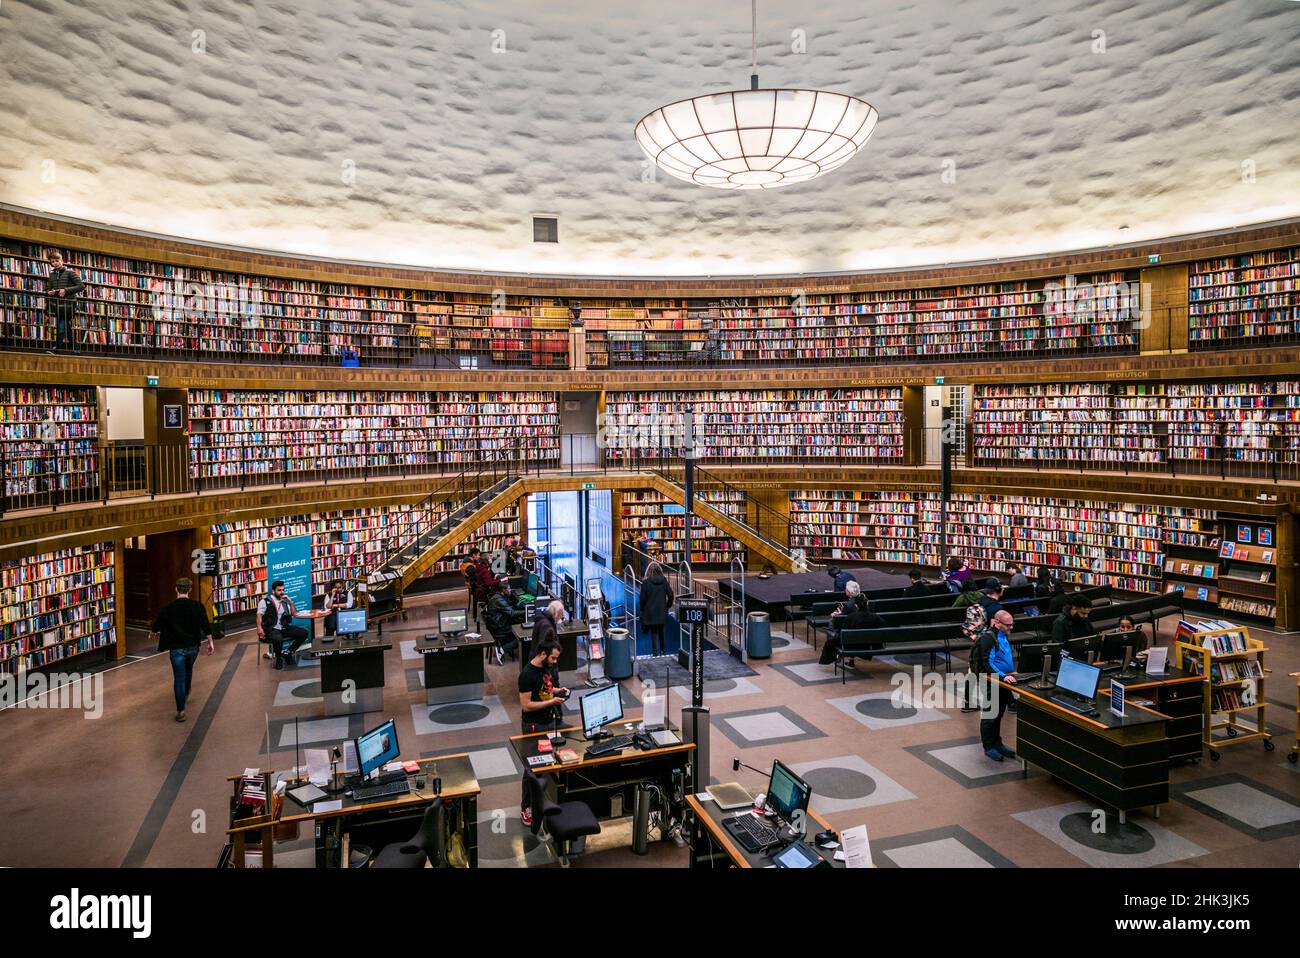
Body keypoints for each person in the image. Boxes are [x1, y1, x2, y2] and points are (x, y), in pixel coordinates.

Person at [518, 635, 569, 826]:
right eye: (553, 658)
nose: (555, 662)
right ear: (542, 654)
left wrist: (556, 690)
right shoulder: (526, 675)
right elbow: (526, 705)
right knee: (531, 768)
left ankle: (545, 799)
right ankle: (526, 806)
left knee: (550, 761)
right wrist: (551, 702)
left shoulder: (545, 669)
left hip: (549, 722)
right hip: (534, 726)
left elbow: (545, 688)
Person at [150, 578, 215, 722]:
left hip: (176, 648)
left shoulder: (167, 608)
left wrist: (153, 632)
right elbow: (205, 625)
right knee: (189, 670)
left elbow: (158, 624)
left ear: (176, 589)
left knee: (178, 677)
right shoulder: (197, 606)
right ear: (190, 589)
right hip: (193, 646)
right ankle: (186, 693)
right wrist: (210, 642)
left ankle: (181, 710)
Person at [973, 609, 1017, 761]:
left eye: (1012, 625)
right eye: (1007, 625)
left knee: (999, 714)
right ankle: (988, 746)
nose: (1010, 628)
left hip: (1003, 681)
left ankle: (998, 743)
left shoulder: (1003, 635)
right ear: (997, 623)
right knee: (990, 715)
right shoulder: (989, 638)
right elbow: (987, 664)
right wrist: (1003, 676)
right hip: (992, 681)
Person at [819, 591, 886, 667]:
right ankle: (848, 660)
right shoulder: (875, 617)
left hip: (851, 645)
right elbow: (882, 626)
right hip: (869, 645)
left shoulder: (851, 617)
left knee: (832, 638)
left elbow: (842, 633)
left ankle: (833, 657)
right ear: (867, 604)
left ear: (856, 605)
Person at [257, 579, 309, 669]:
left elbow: (294, 614)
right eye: (279, 590)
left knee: (304, 633)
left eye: (283, 590)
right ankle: (278, 659)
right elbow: (259, 615)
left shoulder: (284, 603)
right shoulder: (265, 601)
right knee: (278, 638)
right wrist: (259, 628)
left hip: (284, 628)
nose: (282, 592)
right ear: (273, 591)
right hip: (271, 629)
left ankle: (288, 652)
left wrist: (290, 602)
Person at [42, 249, 85, 353]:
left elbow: (81, 286)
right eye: (52, 262)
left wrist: (65, 290)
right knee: (67, 328)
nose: (55, 263)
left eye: (57, 260)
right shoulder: (52, 275)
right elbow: (48, 288)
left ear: (61, 261)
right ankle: (76, 350)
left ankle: (56, 349)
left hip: (69, 305)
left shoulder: (70, 272)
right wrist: (49, 292)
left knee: (61, 327)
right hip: (57, 305)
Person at [638, 561, 674, 657]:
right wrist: (667, 606)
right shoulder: (664, 581)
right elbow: (671, 595)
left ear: (648, 571)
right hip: (662, 611)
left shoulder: (646, 582)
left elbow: (642, 599)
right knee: (661, 630)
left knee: (654, 632)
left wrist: (642, 609)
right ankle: (663, 651)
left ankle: (655, 654)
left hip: (650, 612)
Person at [484, 581, 525, 663]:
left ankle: (505, 647)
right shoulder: (499, 600)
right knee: (523, 635)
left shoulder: (497, 596)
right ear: (503, 590)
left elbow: (507, 608)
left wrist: (518, 606)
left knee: (520, 622)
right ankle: (502, 650)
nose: (510, 591)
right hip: (499, 627)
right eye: (509, 589)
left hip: (496, 623)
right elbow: (512, 613)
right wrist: (526, 611)